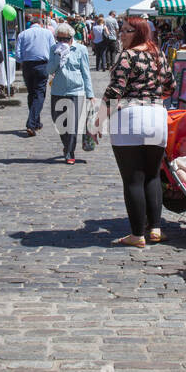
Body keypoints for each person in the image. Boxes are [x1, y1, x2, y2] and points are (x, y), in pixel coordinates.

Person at [92, 16, 175, 247]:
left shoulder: (127, 56)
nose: (121, 35)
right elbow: (171, 86)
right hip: (157, 116)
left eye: (127, 31)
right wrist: (153, 98)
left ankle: (138, 234)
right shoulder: (158, 54)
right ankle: (156, 229)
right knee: (152, 175)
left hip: (130, 117)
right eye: (122, 30)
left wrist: (97, 122)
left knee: (133, 180)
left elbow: (114, 91)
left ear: (138, 32)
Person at [48, 22, 94, 164]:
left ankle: (70, 153)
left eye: (65, 39)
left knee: (72, 125)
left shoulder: (81, 49)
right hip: (58, 90)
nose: (62, 42)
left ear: (72, 38)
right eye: (59, 39)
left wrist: (90, 93)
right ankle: (67, 145)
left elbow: (86, 72)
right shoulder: (54, 49)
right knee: (59, 122)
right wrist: (58, 55)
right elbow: (49, 70)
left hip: (76, 90)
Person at [16, 13, 56, 136]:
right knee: (39, 94)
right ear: (41, 23)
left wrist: (23, 61)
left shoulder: (22, 34)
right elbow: (53, 50)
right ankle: (31, 123)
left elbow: (18, 54)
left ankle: (36, 122)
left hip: (27, 65)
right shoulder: (48, 33)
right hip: (42, 65)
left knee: (31, 93)